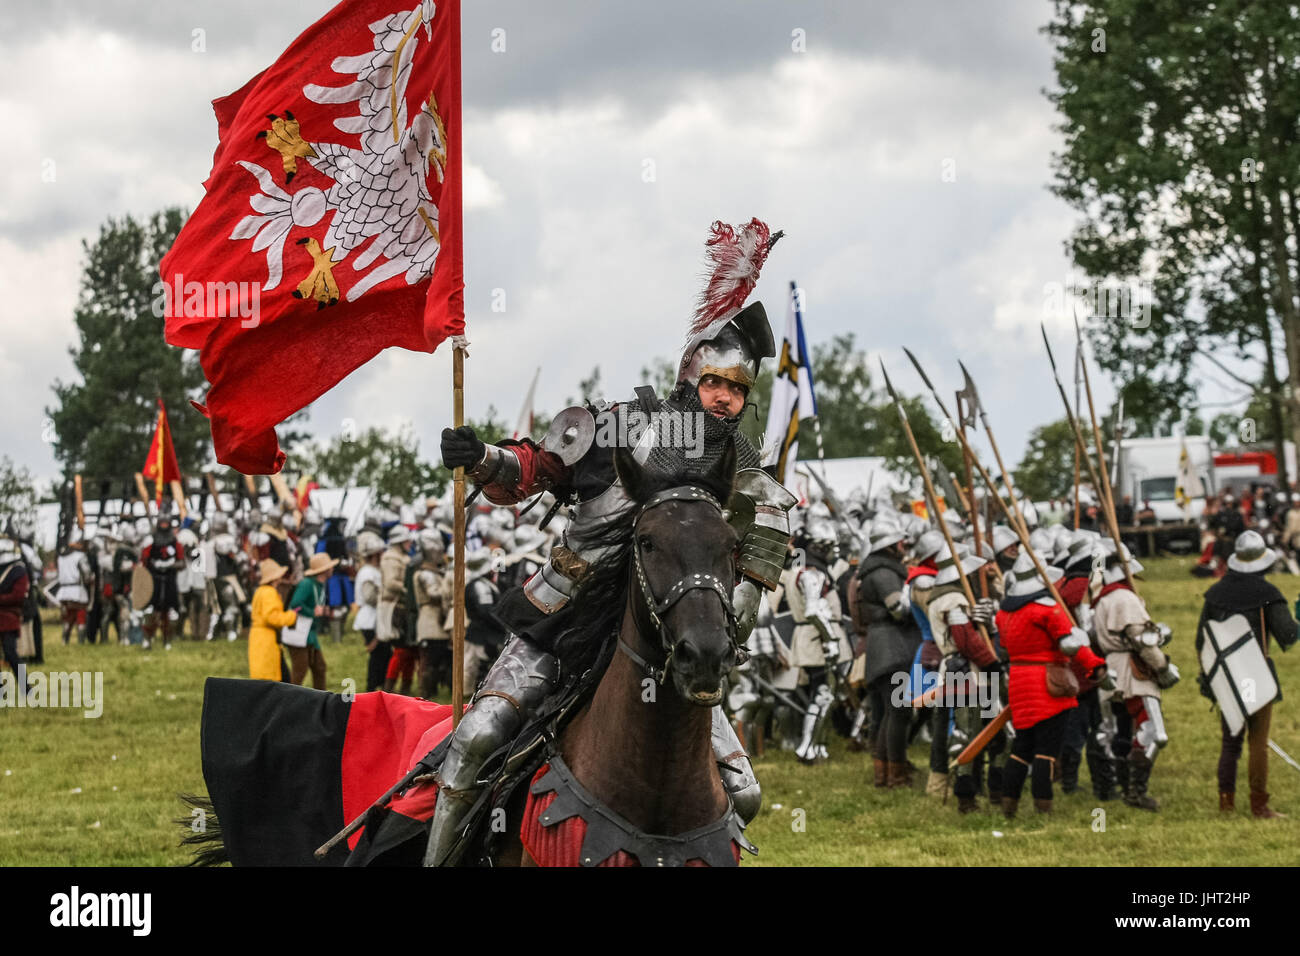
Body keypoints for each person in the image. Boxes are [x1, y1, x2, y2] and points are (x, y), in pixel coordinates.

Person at [424, 218, 794, 866]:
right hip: (566, 620)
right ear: (691, 374)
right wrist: (482, 456)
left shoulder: (747, 469)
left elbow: (763, 555)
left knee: (744, 789)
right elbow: (541, 467)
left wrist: (731, 611)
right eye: (717, 382)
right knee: (479, 739)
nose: (727, 398)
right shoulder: (623, 423)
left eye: (739, 388)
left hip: (666, 636)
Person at [995, 550, 1108, 817]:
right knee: (1046, 750)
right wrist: (1095, 664)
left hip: (1019, 681)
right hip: (1048, 684)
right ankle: (1042, 807)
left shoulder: (1004, 614)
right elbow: (1070, 645)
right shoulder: (1047, 609)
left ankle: (1009, 806)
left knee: (1021, 748)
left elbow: (1003, 644)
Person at [1197, 531, 1297, 818]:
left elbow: (1202, 642)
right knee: (1257, 743)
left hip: (1227, 677)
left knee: (1230, 742)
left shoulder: (1215, 594)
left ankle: (1226, 803)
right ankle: (1259, 805)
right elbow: (1288, 636)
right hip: (1254, 677)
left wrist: (1211, 679)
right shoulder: (1267, 594)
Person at [1092, 542, 1178, 810]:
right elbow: (1141, 641)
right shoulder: (1122, 599)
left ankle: (1125, 786)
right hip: (1132, 669)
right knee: (1154, 731)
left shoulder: (1104, 599)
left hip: (1112, 669)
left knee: (1122, 728)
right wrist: (1162, 667)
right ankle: (1135, 791)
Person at [928, 541, 1003, 812]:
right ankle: (966, 796)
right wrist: (992, 663)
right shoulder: (951, 598)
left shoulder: (955, 597)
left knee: (988, 729)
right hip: (965, 671)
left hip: (969, 671)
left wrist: (986, 620)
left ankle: (989, 788)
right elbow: (965, 640)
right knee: (968, 734)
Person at [855, 512, 920, 785]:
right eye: (900, 543)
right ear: (890, 546)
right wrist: (916, 597)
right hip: (892, 647)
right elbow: (898, 610)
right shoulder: (883, 573)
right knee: (898, 711)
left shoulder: (878, 568)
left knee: (890, 712)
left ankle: (885, 772)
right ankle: (895, 774)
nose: (904, 547)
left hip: (886, 645)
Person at [286, 552, 337, 690]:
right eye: (330, 567)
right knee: (299, 671)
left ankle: (320, 699)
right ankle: (288, 702)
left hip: (309, 635)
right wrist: (312, 612)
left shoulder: (319, 585)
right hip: (300, 635)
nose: (332, 569)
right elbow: (296, 604)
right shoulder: (307, 584)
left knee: (320, 667)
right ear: (324, 570)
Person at [414, 528, 451, 700]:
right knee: (429, 662)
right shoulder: (425, 574)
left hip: (438, 621)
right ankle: (425, 694)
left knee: (438, 659)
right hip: (430, 620)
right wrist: (450, 588)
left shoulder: (435, 572)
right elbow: (433, 594)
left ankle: (434, 693)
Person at [141, 514, 184, 650]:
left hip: (170, 580)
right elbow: (144, 561)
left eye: (167, 523)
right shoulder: (150, 541)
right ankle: (147, 639)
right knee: (149, 612)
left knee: (171, 614)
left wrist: (170, 565)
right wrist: (155, 564)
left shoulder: (175, 543)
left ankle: (167, 640)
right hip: (154, 580)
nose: (164, 525)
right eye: (162, 523)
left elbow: (182, 563)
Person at [248, 559, 296, 681]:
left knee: (267, 679)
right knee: (277, 681)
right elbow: (272, 618)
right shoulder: (270, 593)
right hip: (267, 640)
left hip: (259, 639)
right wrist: (291, 616)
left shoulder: (260, 591)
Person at [376, 525, 411, 688]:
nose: (409, 543)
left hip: (402, 605)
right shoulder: (391, 558)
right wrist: (408, 589)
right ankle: (388, 687)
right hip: (394, 606)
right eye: (406, 540)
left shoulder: (402, 557)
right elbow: (391, 583)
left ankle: (405, 686)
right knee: (400, 649)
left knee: (408, 650)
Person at [353, 531, 386, 691]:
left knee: (383, 655)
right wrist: (384, 597)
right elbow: (369, 597)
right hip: (370, 618)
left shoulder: (372, 570)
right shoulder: (367, 572)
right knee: (378, 656)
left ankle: (379, 687)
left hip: (375, 617)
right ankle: (372, 688)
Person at [0, 534, 30, 690]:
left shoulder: (18, 570)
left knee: (10, 653)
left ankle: (26, 688)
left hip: (8, 617)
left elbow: (18, 596)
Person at [55, 528, 92, 645]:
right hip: (77, 591)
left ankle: (64, 641)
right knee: (80, 617)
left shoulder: (61, 557)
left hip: (64, 592)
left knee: (68, 618)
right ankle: (81, 643)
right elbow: (87, 575)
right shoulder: (80, 556)